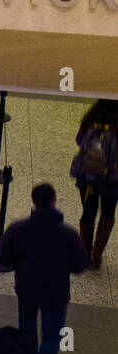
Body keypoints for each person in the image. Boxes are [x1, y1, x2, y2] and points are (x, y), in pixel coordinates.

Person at [0, 183, 89, 354]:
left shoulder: (18, 229)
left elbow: (2, 257)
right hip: (56, 294)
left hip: (27, 290)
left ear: (34, 202)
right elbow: (80, 265)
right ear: (54, 201)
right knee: (52, 339)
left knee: (27, 330)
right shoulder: (69, 235)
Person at [70, 98, 118, 269]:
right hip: (112, 180)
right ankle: (97, 255)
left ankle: (85, 252)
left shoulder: (90, 120)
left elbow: (78, 140)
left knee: (88, 212)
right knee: (107, 214)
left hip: (87, 177)